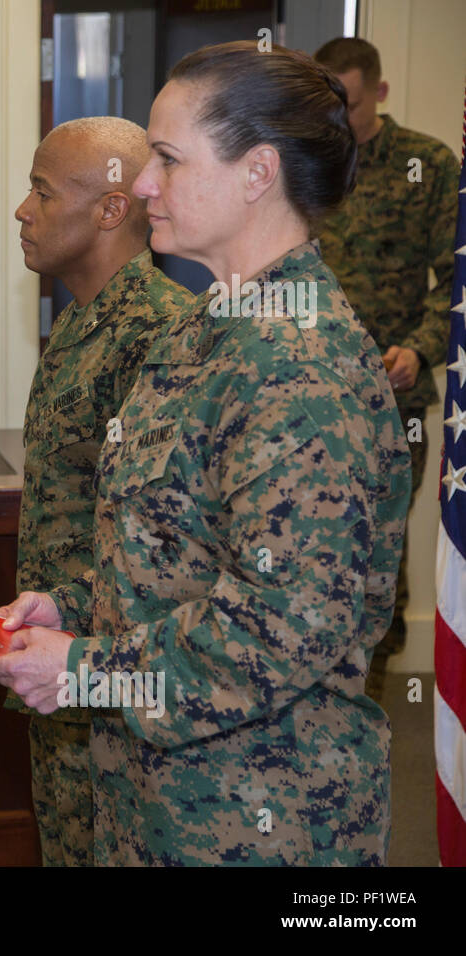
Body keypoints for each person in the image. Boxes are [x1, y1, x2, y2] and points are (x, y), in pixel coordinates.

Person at [0, 41, 410, 865]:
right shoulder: (210, 332)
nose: (142, 185)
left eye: (168, 160)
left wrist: (85, 672)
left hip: (261, 817)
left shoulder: (299, 363)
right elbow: (175, 550)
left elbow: (283, 625)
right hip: (156, 800)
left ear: (257, 173)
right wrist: (74, 603)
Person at [0, 116, 193, 866]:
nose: (23, 210)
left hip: (120, 683)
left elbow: (170, 546)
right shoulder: (85, 322)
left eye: (42, 193)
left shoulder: (159, 336)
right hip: (66, 664)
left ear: (112, 210)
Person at [313, 37, 460, 704]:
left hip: (392, 396)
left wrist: (420, 346)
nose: (337, 114)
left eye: (347, 100)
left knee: (378, 543)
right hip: (306, 391)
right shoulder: (309, 159)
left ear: (379, 92)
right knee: (305, 535)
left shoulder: (426, 164)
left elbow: (456, 281)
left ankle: (367, 691)